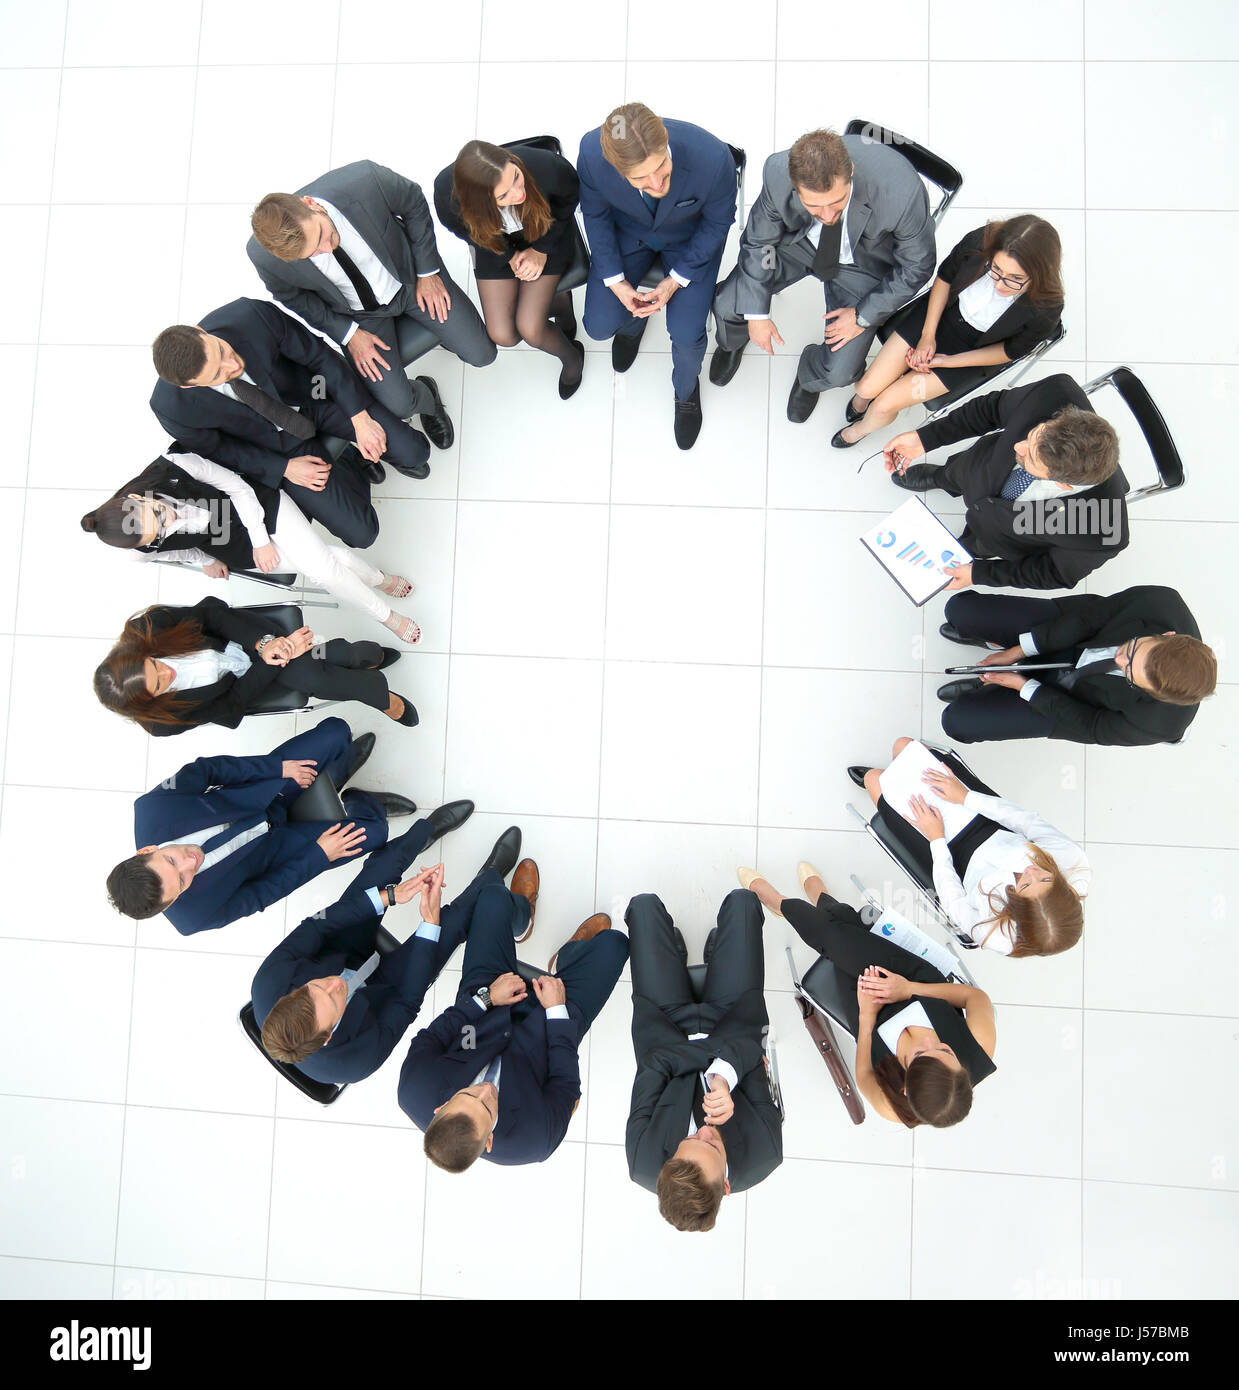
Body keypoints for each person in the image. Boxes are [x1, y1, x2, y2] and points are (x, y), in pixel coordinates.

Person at [398, 845, 629, 1168]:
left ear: (440, 1107)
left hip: (485, 1005)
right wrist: (556, 1014)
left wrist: (486, 998)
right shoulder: (536, 1141)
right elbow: (566, 1085)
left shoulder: (413, 1089)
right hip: (548, 1034)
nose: (485, 1090)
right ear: (489, 1140)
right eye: (489, 1106)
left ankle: (522, 919)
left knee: (493, 897)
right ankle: (569, 957)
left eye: (468, 1094)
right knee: (615, 946)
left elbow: (436, 1035)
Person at [149, 298, 431, 553]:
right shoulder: (171, 408)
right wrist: (283, 469)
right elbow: (223, 451)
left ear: (201, 331)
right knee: (362, 534)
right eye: (217, 375)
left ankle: (423, 393)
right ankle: (350, 462)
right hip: (281, 450)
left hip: (317, 397)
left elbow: (319, 357)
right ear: (189, 385)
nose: (232, 365)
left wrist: (359, 418)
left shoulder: (249, 316)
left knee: (415, 452)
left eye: (221, 351)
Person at [738, 864, 996, 1128]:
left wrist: (866, 1017)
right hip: (913, 981)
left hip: (868, 1016)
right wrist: (908, 988)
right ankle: (783, 904)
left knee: (841, 934)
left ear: (906, 1085)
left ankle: (822, 902)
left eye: (920, 1054)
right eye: (945, 1049)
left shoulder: (891, 1106)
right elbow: (975, 998)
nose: (931, 1040)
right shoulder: (979, 1048)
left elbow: (863, 1076)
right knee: (833, 936)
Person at [248, 161, 490, 441]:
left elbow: (414, 202)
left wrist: (428, 272)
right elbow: (291, 296)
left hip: (411, 279)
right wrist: (348, 334)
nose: (326, 249)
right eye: (312, 254)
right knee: (399, 406)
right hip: (359, 318)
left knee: (482, 354)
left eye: (322, 236)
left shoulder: (365, 180)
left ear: (311, 204)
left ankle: (448, 334)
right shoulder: (263, 256)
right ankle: (428, 398)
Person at [107, 717, 415, 936]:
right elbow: (265, 893)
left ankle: (335, 772)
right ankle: (359, 800)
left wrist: (277, 768)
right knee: (374, 832)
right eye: (184, 880)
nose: (191, 862)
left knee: (337, 732)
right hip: (278, 850)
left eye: (172, 860)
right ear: (172, 901)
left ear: (147, 850)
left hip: (264, 791)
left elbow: (209, 770)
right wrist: (319, 855)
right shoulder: (193, 918)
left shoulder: (152, 809)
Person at [709, 127, 935, 424]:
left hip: (862, 263)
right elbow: (760, 242)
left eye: (837, 202)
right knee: (728, 304)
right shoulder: (778, 171)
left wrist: (861, 315)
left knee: (840, 371)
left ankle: (810, 377)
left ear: (850, 171)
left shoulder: (903, 193)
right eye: (814, 206)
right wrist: (756, 314)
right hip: (798, 245)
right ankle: (733, 342)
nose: (828, 216)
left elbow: (917, 267)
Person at [82, 452, 422, 648]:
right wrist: (206, 559)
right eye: (159, 531)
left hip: (260, 507)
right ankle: (377, 579)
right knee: (334, 561)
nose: (168, 519)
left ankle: (386, 617)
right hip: (235, 547)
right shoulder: (139, 551)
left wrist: (260, 538)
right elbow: (176, 553)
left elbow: (236, 485)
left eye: (158, 511)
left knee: (324, 571)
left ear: (138, 498)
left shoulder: (173, 467)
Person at [253, 801, 484, 1085]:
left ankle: (426, 831)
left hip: (340, 946)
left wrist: (389, 896)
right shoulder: (355, 1062)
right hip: (387, 991)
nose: (336, 985)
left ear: (291, 993)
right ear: (327, 1038)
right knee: (454, 923)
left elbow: (318, 923)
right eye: (333, 999)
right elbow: (406, 1003)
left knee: (385, 865)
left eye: (318, 985)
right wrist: (430, 924)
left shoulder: (268, 981)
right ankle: (490, 880)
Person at [578, 102, 738, 449]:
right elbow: (595, 215)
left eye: (662, 168)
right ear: (617, 169)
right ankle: (634, 321)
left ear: (665, 141)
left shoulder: (713, 158)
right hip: (628, 235)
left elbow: (717, 224)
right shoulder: (592, 153)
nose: (656, 182)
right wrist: (616, 282)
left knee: (686, 334)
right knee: (598, 325)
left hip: (688, 244)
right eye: (640, 178)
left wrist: (677, 278)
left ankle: (686, 390)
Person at [624, 890, 783, 1232]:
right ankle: (712, 956)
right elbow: (752, 1053)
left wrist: (723, 1062)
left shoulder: (643, 1160)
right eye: (712, 1146)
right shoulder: (765, 1150)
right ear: (726, 1185)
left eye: (691, 1141)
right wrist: (723, 1077)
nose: (705, 1132)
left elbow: (653, 1064)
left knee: (643, 908)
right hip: (734, 1015)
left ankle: (677, 953)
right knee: (743, 903)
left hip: (664, 1022)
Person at [832, 215, 1064, 448]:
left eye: (1015, 279)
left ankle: (860, 429)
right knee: (866, 387)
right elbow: (945, 276)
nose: (1000, 284)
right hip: (940, 315)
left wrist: (946, 362)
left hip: (973, 352)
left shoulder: (1047, 308)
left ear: (1039, 274)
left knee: (884, 404)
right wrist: (927, 336)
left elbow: (1009, 351)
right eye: (996, 269)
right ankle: (861, 402)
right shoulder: (980, 242)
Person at [885, 374, 1127, 592]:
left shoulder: (1102, 531)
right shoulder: (1055, 394)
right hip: (979, 466)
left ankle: (969, 546)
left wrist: (978, 574)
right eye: (1034, 434)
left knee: (976, 544)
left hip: (1001, 536)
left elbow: (1051, 572)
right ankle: (940, 478)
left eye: (1030, 457)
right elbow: (989, 409)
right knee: (953, 473)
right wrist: (926, 439)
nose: (1017, 446)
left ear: (1065, 485)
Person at [848, 738, 1089, 955]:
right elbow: (1025, 821)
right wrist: (965, 797)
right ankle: (897, 779)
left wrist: (936, 838)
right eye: (1046, 879)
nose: (1031, 873)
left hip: (954, 860)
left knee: (874, 780)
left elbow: (953, 900)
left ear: (1014, 909)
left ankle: (885, 783)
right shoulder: (1072, 861)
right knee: (903, 746)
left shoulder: (996, 935)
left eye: (1024, 885)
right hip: (993, 825)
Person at [935, 585, 1217, 746]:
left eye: (1129, 673)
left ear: (1152, 694)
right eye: (1132, 649)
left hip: (1074, 703)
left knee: (956, 722)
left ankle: (994, 685)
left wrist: (1024, 686)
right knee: (959, 610)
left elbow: (1090, 725)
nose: (1120, 659)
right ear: (1168, 635)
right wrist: (1016, 651)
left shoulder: (1159, 724)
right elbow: (1088, 620)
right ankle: (995, 646)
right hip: (1076, 632)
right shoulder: (1161, 602)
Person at [93, 597, 419, 735]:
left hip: (248, 636)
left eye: (156, 665)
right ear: (151, 701)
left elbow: (213, 614)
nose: (169, 673)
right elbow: (231, 705)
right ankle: (361, 657)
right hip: (249, 685)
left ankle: (370, 677)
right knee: (311, 673)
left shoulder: (149, 628)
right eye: (160, 684)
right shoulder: (161, 721)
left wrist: (267, 644)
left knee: (312, 674)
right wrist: (275, 659)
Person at [434, 140, 584, 399]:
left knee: (532, 329)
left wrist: (540, 251)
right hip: (496, 245)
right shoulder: (447, 196)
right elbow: (465, 232)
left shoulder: (545, 167)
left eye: (516, 177)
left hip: (546, 233)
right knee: (503, 334)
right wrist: (509, 255)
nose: (518, 193)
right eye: (503, 196)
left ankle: (573, 359)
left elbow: (569, 200)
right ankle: (558, 303)